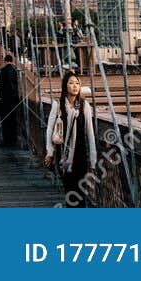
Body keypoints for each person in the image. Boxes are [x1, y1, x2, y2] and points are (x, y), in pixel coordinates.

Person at [44, 70, 97, 206]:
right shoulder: (58, 105)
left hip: (80, 155)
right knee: (70, 192)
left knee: (80, 194)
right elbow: (50, 129)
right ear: (65, 86)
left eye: (77, 83)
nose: (75, 86)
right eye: (71, 83)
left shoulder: (85, 106)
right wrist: (50, 152)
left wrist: (93, 159)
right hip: (63, 155)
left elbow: (90, 133)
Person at [0, 51, 20, 148]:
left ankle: (7, 140)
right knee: (13, 120)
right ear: (12, 61)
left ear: (5, 61)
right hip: (14, 99)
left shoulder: (3, 71)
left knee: (5, 121)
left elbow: (0, 85)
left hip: (5, 99)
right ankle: (13, 140)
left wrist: (0, 94)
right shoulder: (15, 71)